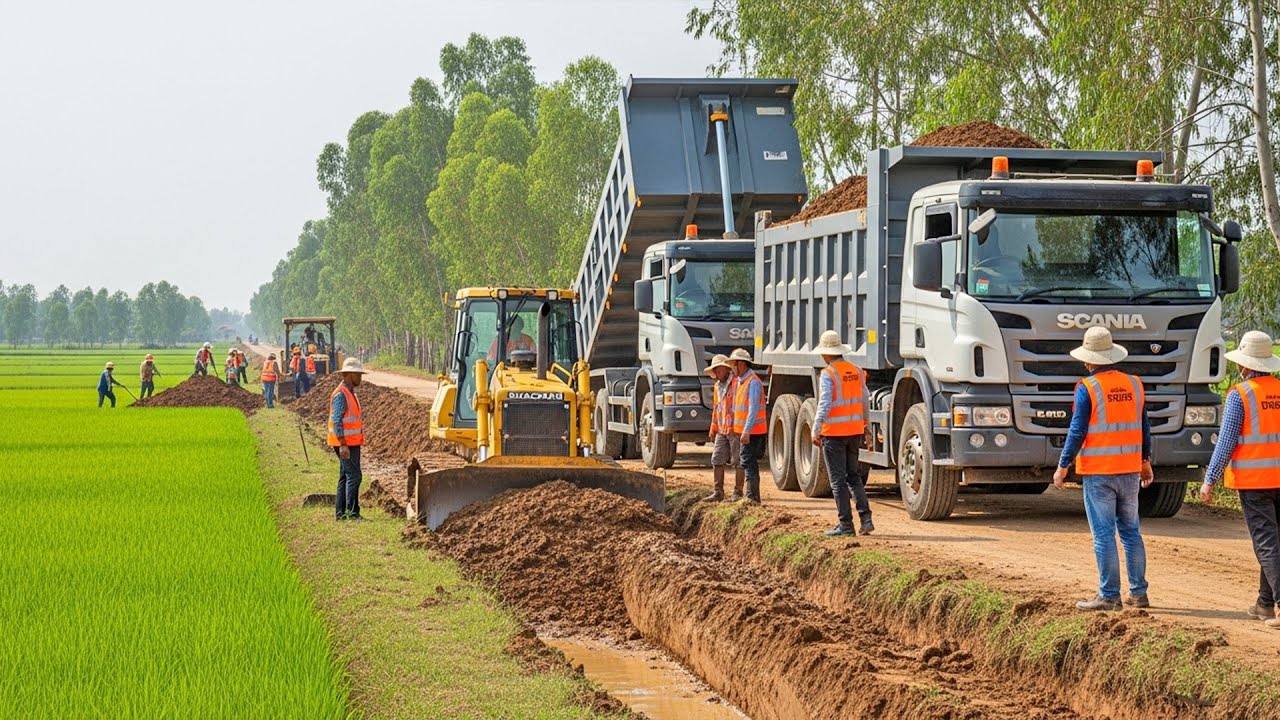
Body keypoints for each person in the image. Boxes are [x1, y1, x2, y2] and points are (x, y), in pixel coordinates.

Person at [1053, 326, 1153, 611]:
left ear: (1088, 360)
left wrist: (1063, 465)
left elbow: (1077, 430)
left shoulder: (1087, 388)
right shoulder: (1135, 384)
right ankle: (1138, 593)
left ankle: (1109, 595)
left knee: (1104, 534)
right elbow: (1144, 428)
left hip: (1099, 473)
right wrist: (1145, 463)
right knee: (1131, 531)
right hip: (1130, 471)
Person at [1199, 330, 1280, 627]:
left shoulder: (1240, 394)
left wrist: (1210, 479)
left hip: (1255, 480)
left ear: (1244, 366)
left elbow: (1226, 441)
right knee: (1274, 540)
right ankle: (1265, 603)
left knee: (1267, 542)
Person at [812, 330, 874, 537]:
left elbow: (825, 402)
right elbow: (865, 400)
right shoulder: (856, 370)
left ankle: (846, 526)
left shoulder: (828, 374)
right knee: (853, 477)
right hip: (854, 432)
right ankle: (866, 520)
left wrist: (816, 428)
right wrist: (866, 426)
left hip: (834, 435)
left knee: (837, 481)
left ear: (826, 354)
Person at [329, 357, 369, 520]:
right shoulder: (341, 394)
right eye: (357, 374)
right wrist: (343, 444)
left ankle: (341, 513)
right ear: (347, 374)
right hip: (345, 443)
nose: (360, 377)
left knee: (345, 475)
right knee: (354, 476)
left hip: (351, 443)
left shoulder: (349, 393)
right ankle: (352, 512)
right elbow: (337, 420)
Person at [703, 354, 743, 502]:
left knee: (738, 461)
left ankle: (738, 492)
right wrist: (713, 427)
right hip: (722, 428)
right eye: (716, 371)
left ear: (726, 370)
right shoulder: (717, 386)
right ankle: (718, 491)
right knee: (717, 459)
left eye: (720, 370)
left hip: (735, 428)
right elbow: (717, 408)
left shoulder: (737, 383)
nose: (718, 373)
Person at [730, 347, 767, 504]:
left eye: (734, 364)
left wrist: (746, 432)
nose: (732, 368)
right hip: (748, 431)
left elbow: (753, 410)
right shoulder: (742, 382)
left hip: (753, 432)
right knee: (746, 461)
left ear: (741, 364)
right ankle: (751, 495)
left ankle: (752, 497)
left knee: (748, 461)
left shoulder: (752, 383)